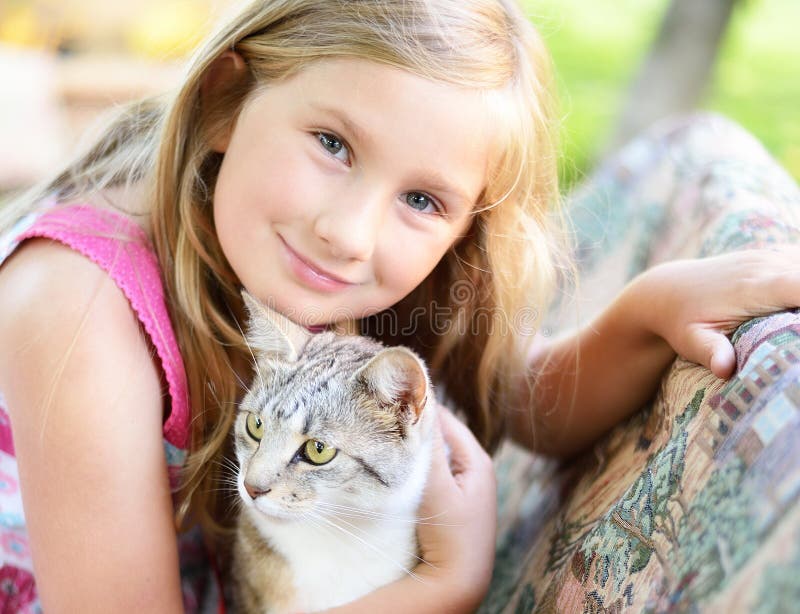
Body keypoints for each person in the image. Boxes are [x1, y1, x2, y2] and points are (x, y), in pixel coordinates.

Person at [0, 0, 796, 611]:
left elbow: (527, 402)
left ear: (464, 229)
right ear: (223, 101)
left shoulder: (352, 279)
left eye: (421, 198)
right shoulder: (77, 308)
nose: (348, 234)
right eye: (333, 144)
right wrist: (445, 584)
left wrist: (651, 311)